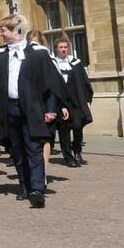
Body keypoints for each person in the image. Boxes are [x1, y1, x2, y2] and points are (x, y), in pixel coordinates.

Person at [0, 14, 69, 208]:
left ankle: (37, 189)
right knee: (16, 150)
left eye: (4, 29)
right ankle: (24, 186)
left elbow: (52, 85)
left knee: (33, 148)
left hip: (32, 109)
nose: (1, 33)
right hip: (9, 108)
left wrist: (51, 109)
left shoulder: (38, 53)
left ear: (17, 31)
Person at [51, 37, 93, 166]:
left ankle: (77, 151)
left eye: (65, 47)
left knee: (78, 127)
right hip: (61, 101)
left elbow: (85, 83)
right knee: (64, 130)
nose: (63, 49)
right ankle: (68, 156)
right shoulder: (53, 64)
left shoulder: (76, 63)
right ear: (56, 49)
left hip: (76, 100)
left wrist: (87, 101)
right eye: (61, 47)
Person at [25, 29, 52, 166]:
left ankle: (42, 172)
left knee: (42, 139)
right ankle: (40, 173)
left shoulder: (43, 54)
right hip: (36, 103)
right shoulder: (23, 55)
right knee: (41, 139)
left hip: (38, 102)